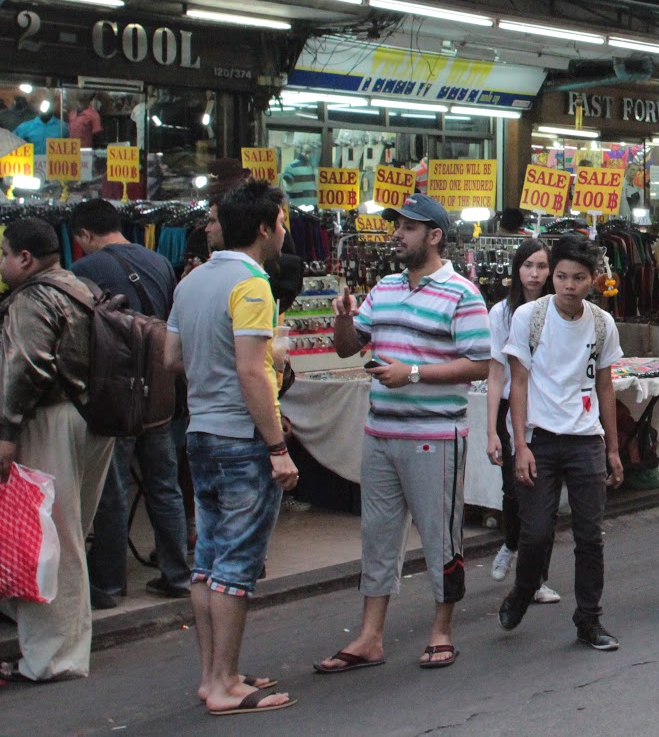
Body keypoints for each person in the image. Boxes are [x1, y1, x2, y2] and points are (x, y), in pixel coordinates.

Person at [316, 194, 491, 674]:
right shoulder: (384, 287)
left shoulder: (462, 293)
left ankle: (441, 630)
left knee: (441, 537)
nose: (398, 234)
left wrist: (412, 373)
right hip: (381, 432)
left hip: (435, 434)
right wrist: (345, 317)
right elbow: (350, 349)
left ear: (434, 236)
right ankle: (370, 636)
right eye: (398, 226)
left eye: (409, 227)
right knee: (378, 537)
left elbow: (478, 363)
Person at [164, 180, 298, 715]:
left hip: (200, 432)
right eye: (282, 221)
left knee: (208, 562)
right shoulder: (252, 284)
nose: (286, 230)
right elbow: (250, 370)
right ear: (265, 228)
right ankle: (224, 685)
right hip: (242, 440)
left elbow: (172, 357)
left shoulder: (194, 280)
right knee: (236, 567)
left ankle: (214, 674)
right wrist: (277, 446)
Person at [0, 219, 116, 683]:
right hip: (91, 418)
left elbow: (23, 368)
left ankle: (55, 657)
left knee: (50, 540)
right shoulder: (81, 285)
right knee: (68, 535)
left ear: (25, 258)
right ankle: (61, 645)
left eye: (5, 254)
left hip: (49, 419)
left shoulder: (32, 298)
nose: (3, 263)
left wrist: (5, 431)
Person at [497, 236, 624, 651]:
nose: (568, 285)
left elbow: (606, 387)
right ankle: (523, 589)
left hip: (586, 440)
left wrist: (613, 449)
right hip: (540, 441)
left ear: (593, 280)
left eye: (579, 278)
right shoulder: (529, 318)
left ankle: (589, 619)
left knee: (591, 537)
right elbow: (518, 381)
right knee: (535, 534)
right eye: (561, 276)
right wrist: (521, 444)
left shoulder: (603, 324)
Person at [70, 199, 189, 609]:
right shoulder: (158, 262)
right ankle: (178, 575)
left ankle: (107, 585)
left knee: (112, 491)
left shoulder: (83, 271)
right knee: (164, 486)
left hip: (114, 394)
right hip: (158, 390)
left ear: (84, 236)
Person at [483, 238, 560, 606]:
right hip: (509, 413)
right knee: (514, 490)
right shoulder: (501, 313)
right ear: (517, 268)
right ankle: (511, 542)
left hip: (546, 413)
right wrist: (490, 431)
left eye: (541, 266)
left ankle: (535, 578)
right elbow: (495, 374)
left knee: (542, 499)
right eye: (528, 265)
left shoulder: (560, 310)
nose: (534, 273)